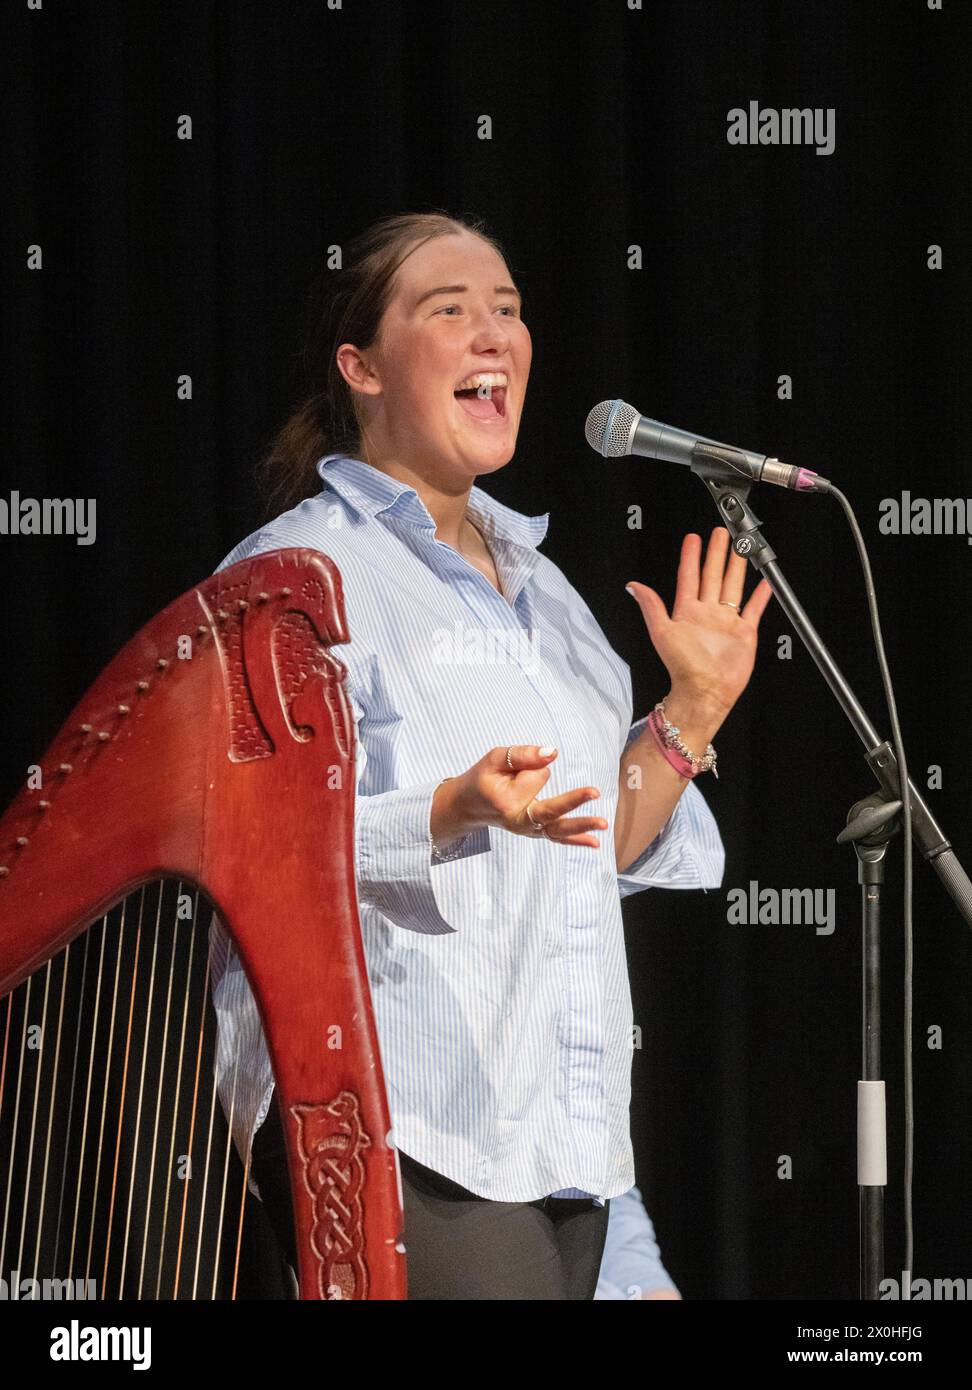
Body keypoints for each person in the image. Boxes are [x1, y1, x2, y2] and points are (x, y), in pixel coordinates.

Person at [209, 210, 774, 1300]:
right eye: (450, 308)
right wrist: (443, 812)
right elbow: (245, 844)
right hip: (399, 1124)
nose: (494, 335)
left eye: (509, 311)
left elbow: (595, 836)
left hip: (562, 1130)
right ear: (360, 366)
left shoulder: (550, 594)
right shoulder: (295, 575)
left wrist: (688, 716)